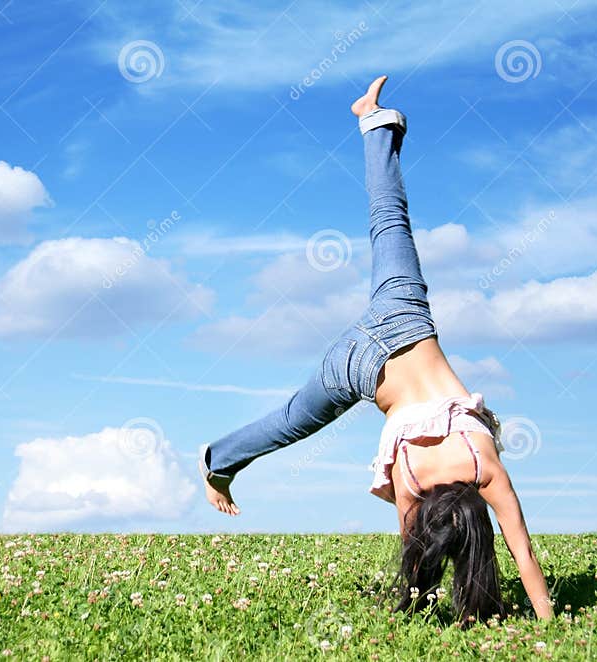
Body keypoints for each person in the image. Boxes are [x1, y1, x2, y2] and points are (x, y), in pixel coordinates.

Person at [198, 76, 552, 625]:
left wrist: (549, 622)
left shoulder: (484, 464)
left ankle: (374, 122)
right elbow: (513, 555)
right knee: (293, 420)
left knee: (389, 221)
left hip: (404, 318)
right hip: (358, 369)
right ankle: (217, 462)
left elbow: (525, 555)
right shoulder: (411, 482)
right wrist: (546, 631)